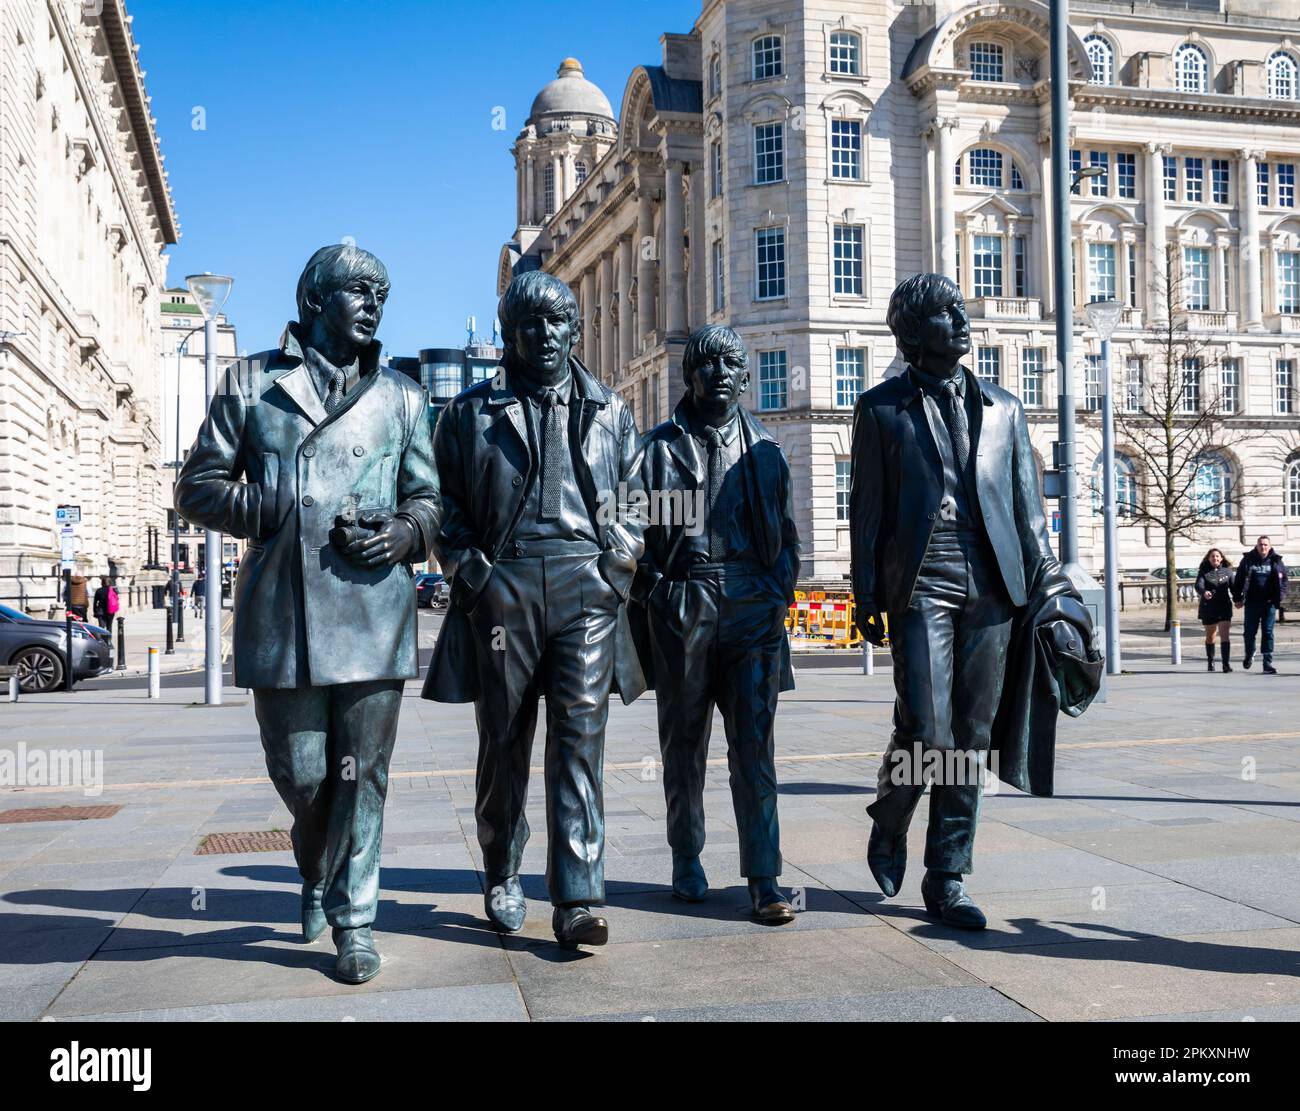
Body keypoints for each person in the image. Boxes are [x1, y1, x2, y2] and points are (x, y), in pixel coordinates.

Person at [176, 245, 440, 984]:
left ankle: (356, 921)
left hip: (374, 611)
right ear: (315, 300)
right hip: (284, 617)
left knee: (364, 775)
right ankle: (315, 862)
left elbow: (430, 500)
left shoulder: (403, 397)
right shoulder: (252, 383)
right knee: (303, 774)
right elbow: (196, 487)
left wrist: (405, 533)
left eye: (382, 293)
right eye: (359, 290)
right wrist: (265, 505)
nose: (374, 304)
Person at [850, 273, 1087, 930]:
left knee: (972, 735)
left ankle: (947, 874)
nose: (961, 319)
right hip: (921, 580)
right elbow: (866, 509)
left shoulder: (1005, 408)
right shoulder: (881, 409)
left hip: (993, 587)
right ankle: (891, 816)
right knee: (927, 729)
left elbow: (1029, 515)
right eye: (946, 311)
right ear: (913, 330)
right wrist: (864, 591)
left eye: (961, 309)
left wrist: (1053, 592)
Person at [422, 271, 646, 949]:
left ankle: (577, 895)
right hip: (507, 584)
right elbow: (440, 504)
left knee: (580, 739)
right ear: (508, 334)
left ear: (574, 329)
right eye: (529, 323)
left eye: (556, 321)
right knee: (504, 739)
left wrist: (616, 565)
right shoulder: (468, 414)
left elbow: (636, 500)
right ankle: (501, 864)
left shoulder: (612, 410)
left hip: (587, 586)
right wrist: (471, 569)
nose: (544, 334)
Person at [632, 325, 801, 923]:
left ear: (746, 377)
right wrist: (658, 592)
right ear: (690, 375)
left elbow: (787, 536)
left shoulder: (767, 450)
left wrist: (778, 593)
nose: (721, 374)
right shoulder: (657, 450)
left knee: (755, 749)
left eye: (732, 364)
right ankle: (686, 855)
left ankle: (765, 878)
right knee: (683, 745)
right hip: (685, 601)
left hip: (753, 606)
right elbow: (628, 534)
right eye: (708, 364)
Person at [1232, 535, 1288, 674]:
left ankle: (1267, 663)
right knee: (1249, 632)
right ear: (1257, 546)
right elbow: (1239, 580)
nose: (1263, 547)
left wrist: (1280, 596)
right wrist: (1237, 598)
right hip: (1252, 602)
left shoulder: (1276, 561)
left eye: (1265, 545)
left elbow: (1284, 581)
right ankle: (1250, 653)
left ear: (1270, 546)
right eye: (1261, 544)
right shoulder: (1248, 560)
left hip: (1269, 603)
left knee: (1268, 632)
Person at [1195, 548, 1234, 672]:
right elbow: (1198, 585)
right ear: (1209, 558)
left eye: (1217, 556)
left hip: (1224, 606)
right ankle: (1210, 661)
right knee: (1210, 636)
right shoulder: (1203, 571)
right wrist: (1204, 592)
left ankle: (1226, 664)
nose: (1215, 558)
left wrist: (1239, 598)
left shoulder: (1228, 572)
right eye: (1212, 556)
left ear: (1221, 558)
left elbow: (1234, 588)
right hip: (1209, 607)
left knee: (1224, 635)